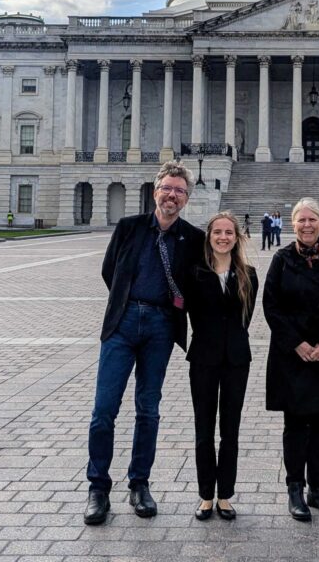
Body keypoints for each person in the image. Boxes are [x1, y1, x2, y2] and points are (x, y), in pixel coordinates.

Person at [83, 163, 205, 525]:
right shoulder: (129, 227)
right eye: (167, 188)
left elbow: (197, 285)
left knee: (148, 410)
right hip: (123, 324)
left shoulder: (193, 238)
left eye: (179, 190)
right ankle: (98, 487)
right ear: (156, 192)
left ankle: (140, 483)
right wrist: (127, 302)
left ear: (186, 198)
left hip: (160, 326)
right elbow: (110, 271)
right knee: (104, 409)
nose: (172, 195)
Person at [263, 197, 319, 522]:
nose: (306, 225)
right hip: (292, 356)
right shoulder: (282, 259)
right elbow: (270, 306)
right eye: (301, 220)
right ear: (293, 224)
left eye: (312, 220)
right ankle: (294, 489)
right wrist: (297, 344)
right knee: (294, 425)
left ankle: (318, 489)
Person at [185, 212, 258, 521]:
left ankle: (225, 495)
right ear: (210, 236)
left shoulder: (249, 274)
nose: (223, 237)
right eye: (218, 232)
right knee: (204, 428)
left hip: (236, 360)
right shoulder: (195, 272)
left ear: (236, 237)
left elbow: (247, 318)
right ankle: (205, 495)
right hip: (203, 357)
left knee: (230, 430)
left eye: (229, 232)